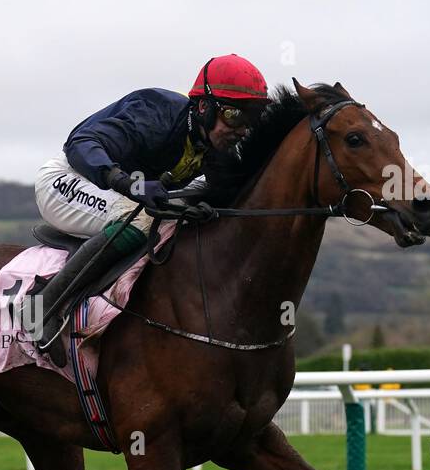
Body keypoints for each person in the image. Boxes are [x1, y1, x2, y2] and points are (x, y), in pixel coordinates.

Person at [32, 54, 270, 366]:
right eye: (234, 115)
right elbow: (81, 142)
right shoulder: (155, 111)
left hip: (114, 192)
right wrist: (130, 184)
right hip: (67, 181)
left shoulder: (217, 148)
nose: (240, 130)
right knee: (145, 220)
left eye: (250, 122)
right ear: (203, 107)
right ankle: (42, 306)